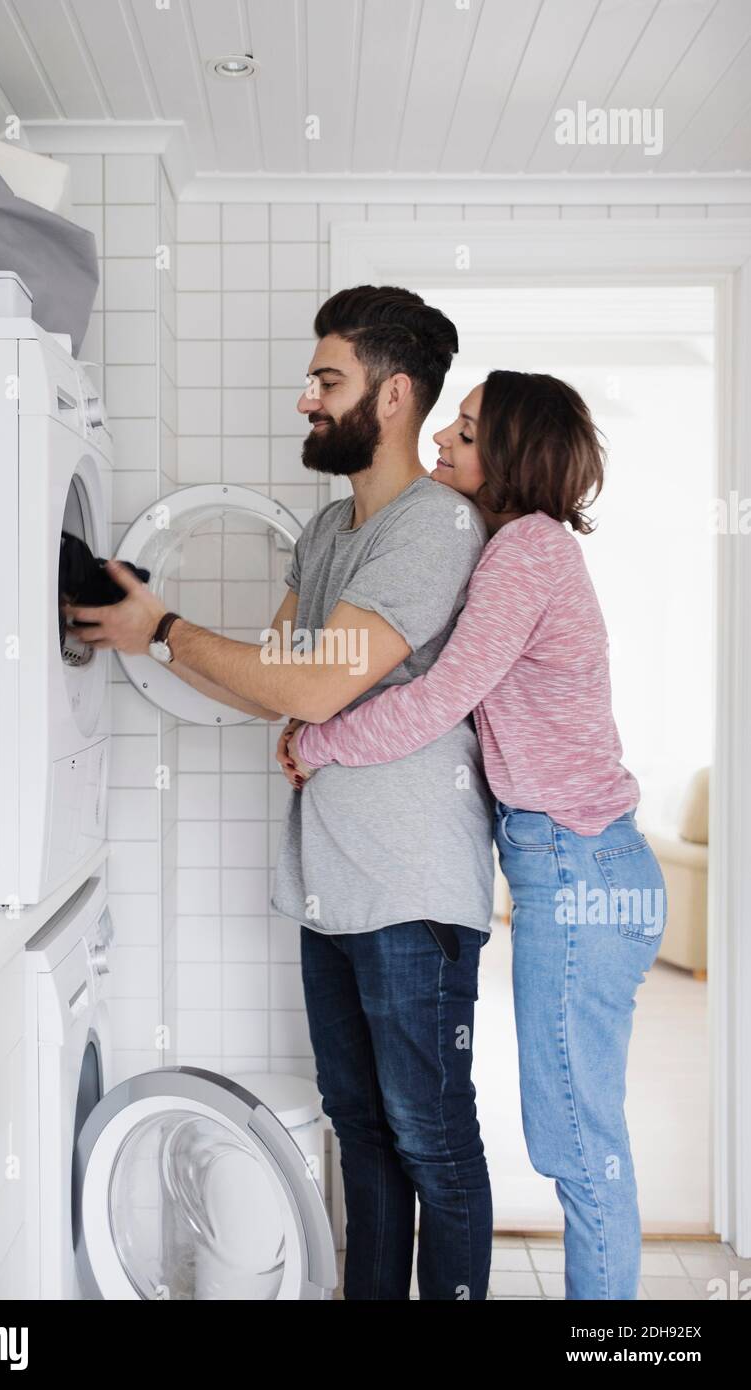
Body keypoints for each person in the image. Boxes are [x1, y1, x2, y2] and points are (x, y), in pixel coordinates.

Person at [65, 285, 496, 1301]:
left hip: (412, 897)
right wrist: (140, 621)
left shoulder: (433, 527)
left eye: (327, 379)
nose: (306, 398)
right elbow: (272, 676)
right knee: (365, 1137)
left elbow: (308, 685)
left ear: (394, 397)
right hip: (330, 891)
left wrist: (163, 630)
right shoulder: (322, 532)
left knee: (433, 1147)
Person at [284, 369, 667, 1301]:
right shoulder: (510, 549)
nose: (445, 439)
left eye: (467, 428)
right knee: (572, 1137)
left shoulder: (526, 552)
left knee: (576, 1146)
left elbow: (437, 699)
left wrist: (317, 740)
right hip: (571, 863)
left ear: (515, 455)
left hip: (581, 868)